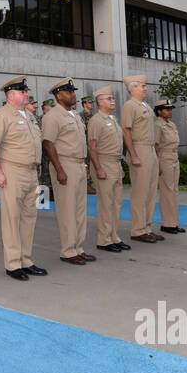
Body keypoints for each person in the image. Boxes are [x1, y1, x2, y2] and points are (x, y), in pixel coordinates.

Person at [0, 76, 45, 281]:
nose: (26, 94)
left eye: (26, 91)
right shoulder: (1, 116)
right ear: (11, 95)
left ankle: (26, 260)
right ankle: (13, 264)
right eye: (22, 91)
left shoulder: (29, 116)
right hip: (12, 171)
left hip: (31, 172)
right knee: (12, 219)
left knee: (29, 218)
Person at [42, 78, 95, 265]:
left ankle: (78, 248)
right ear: (58, 95)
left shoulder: (75, 115)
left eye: (73, 91)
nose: (73, 94)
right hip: (64, 165)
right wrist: (59, 170)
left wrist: (85, 166)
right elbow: (48, 143)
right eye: (69, 92)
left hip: (79, 165)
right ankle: (68, 251)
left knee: (80, 210)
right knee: (67, 210)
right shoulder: (53, 116)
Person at [121, 74, 163, 243]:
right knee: (140, 192)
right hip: (139, 148)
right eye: (142, 86)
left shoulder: (144, 105)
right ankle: (138, 230)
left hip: (150, 149)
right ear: (133, 88)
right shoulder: (129, 106)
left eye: (145, 86)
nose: (145, 88)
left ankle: (147, 227)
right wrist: (133, 154)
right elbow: (126, 131)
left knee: (151, 192)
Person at [87, 85, 129, 253]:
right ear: (99, 102)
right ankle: (104, 240)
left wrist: (120, 167)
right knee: (106, 204)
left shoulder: (112, 119)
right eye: (109, 99)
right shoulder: (96, 120)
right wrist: (98, 169)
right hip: (103, 163)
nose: (113, 101)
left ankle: (114, 236)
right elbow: (91, 147)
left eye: (112, 98)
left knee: (116, 203)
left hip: (115, 164)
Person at [155, 100, 186, 235]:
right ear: (159, 111)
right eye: (166, 109)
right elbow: (155, 146)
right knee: (167, 191)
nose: (169, 111)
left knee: (174, 191)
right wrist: (157, 164)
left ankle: (174, 223)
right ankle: (167, 224)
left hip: (174, 157)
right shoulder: (157, 125)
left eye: (170, 109)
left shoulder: (171, 124)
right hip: (164, 157)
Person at [81, 95, 97, 195]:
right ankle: (86, 185)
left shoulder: (93, 116)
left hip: (93, 143)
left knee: (91, 164)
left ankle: (90, 183)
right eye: (89, 102)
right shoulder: (81, 116)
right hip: (85, 144)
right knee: (85, 164)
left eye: (92, 102)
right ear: (84, 104)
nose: (91, 104)